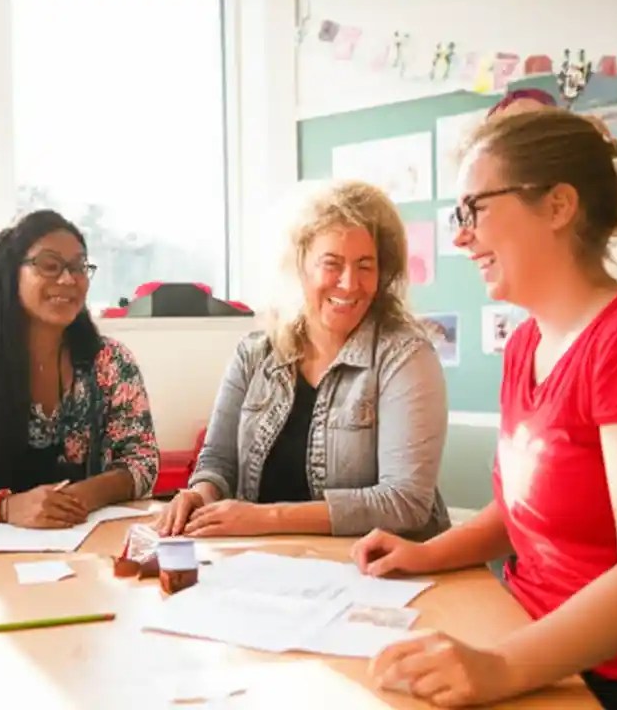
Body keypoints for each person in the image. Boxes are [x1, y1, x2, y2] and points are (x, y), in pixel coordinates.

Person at [352, 110, 617, 708]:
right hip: (551, 648)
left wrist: (500, 668)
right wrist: (428, 553)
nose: (460, 236)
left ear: (558, 206)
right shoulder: (529, 343)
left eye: (473, 210)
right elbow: (521, 511)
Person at [155, 179, 451, 540]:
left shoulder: (406, 357)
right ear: (299, 265)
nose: (349, 283)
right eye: (332, 263)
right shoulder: (253, 354)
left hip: (375, 570)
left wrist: (265, 518)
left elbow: (405, 503)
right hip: (269, 564)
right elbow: (218, 463)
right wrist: (199, 495)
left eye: (365, 266)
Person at [0, 210, 159, 528]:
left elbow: (141, 461)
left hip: (81, 539)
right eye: (50, 266)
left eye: (79, 267)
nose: (68, 279)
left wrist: (75, 499)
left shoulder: (110, 362)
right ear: (12, 274)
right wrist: (7, 508)